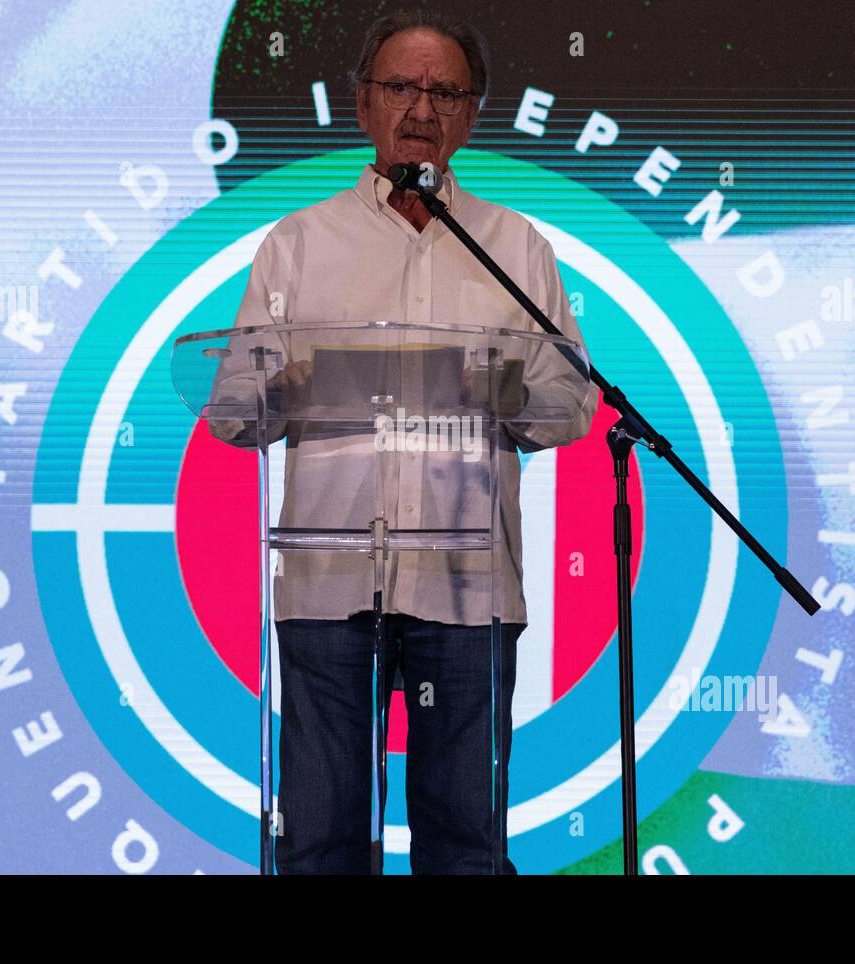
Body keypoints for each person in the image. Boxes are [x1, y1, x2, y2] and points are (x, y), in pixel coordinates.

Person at [212, 10, 597, 874]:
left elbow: (568, 404)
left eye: (445, 92)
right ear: (362, 104)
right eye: (402, 87)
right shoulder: (299, 244)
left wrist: (504, 390)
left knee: (465, 848)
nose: (421, 107)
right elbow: (234, 408)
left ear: (469, 115)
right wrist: (293, 386)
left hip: (468, 591)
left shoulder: (514, 246)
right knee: (320, 844)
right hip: (327, 583)